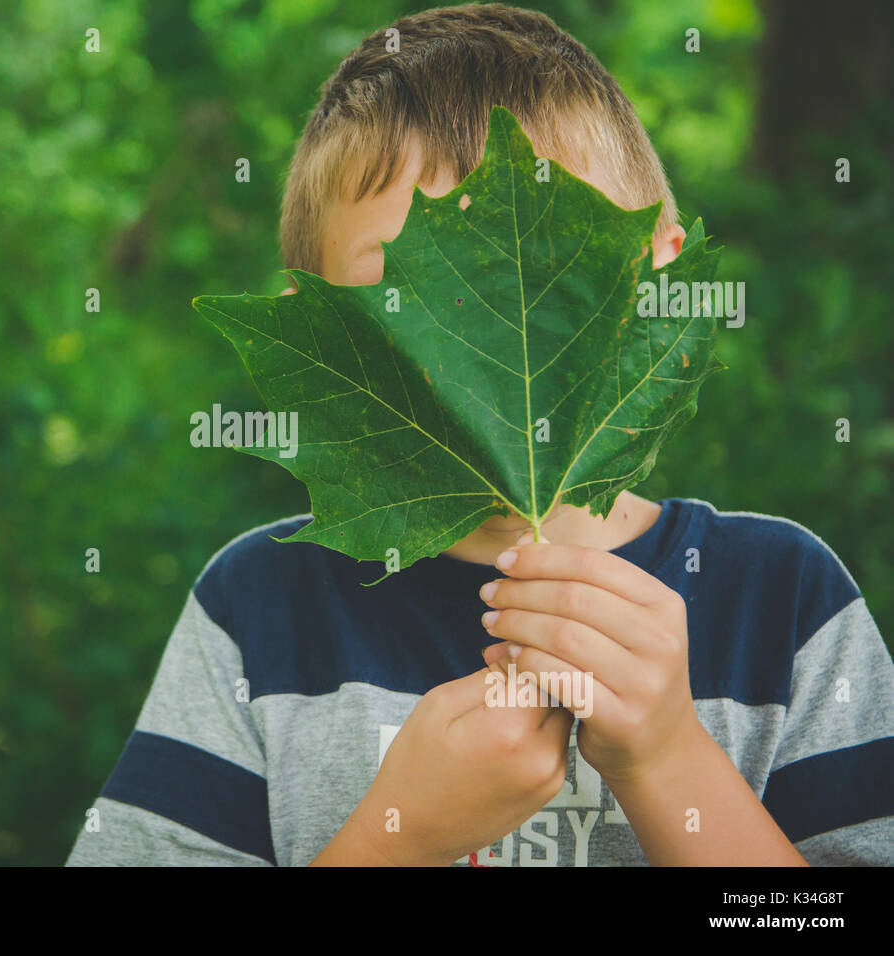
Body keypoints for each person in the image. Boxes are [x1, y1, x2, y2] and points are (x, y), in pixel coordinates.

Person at [66, 4, 894, 866]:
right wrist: (398, 840)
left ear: (662, 287)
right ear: (316, 343)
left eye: (558, 280)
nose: (486, 345)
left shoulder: (786, 604)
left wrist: (669, 761)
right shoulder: (258, 610)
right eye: (409, 298)